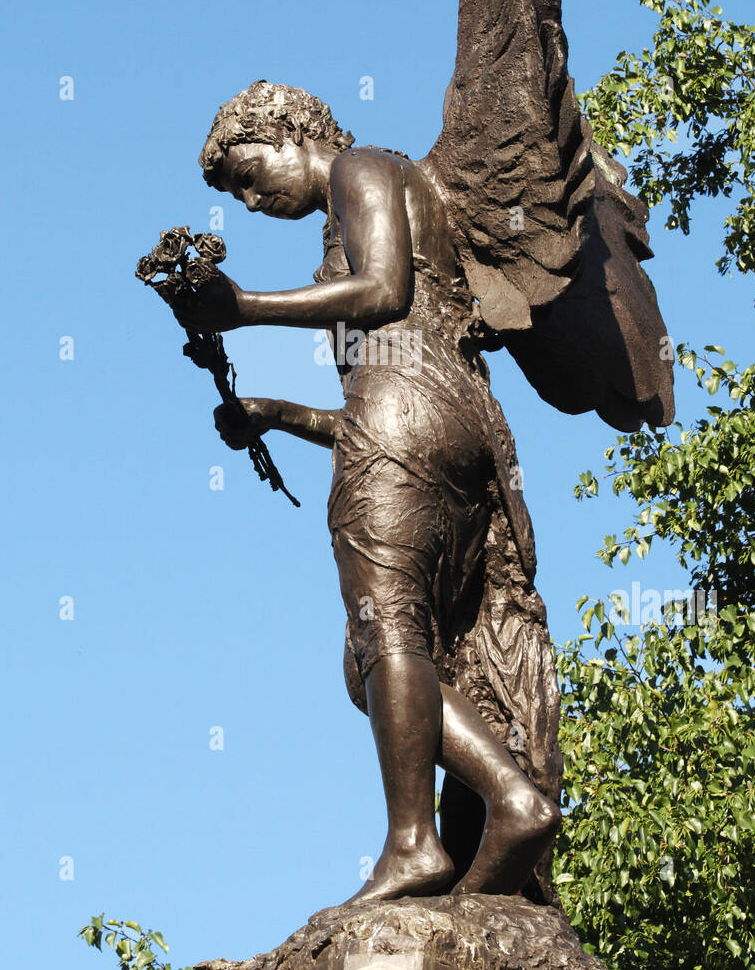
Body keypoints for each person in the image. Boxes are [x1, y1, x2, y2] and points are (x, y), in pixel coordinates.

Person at [170, 80, 562, 905]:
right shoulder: (388, 189)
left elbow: (383, 292)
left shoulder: (364, 168)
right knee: (377, 662)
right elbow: (377, 391)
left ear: (287, 130)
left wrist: (244, 307)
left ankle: (420, 841)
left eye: (249, 175)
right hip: (444, 422)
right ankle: (509, 799)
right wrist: (275, 413)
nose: (251, 199)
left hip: (407, 419)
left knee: (385, 636)